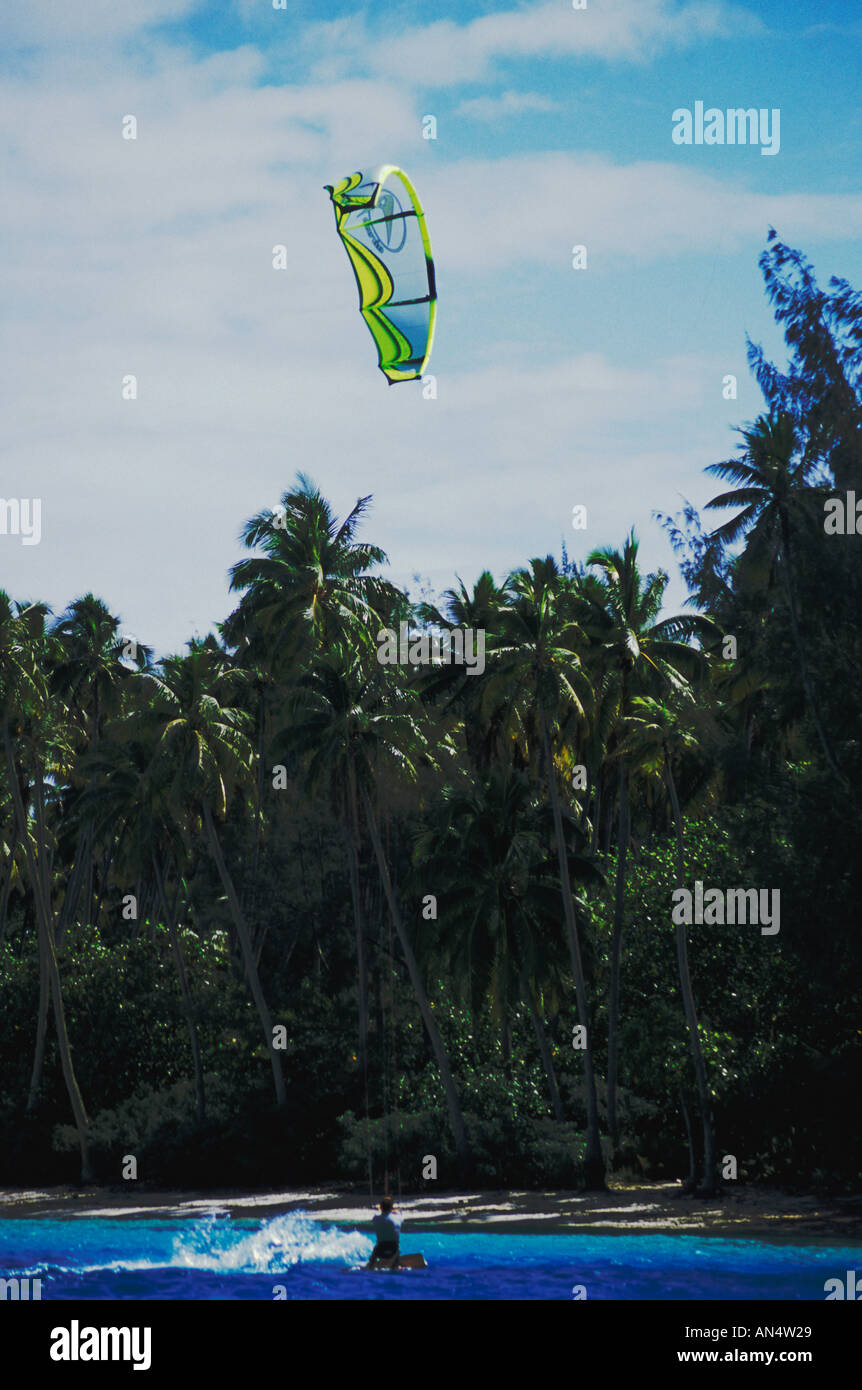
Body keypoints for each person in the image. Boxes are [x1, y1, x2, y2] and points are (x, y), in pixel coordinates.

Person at [368, 1195, 401, 1267]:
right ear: (391, 1208)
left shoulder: (375, 1218)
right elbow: (398, 1213)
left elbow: (377, 1215)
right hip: (393, 1250)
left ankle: (371, 1264)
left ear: (381, 1208)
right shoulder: (398, 1218)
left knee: (376, 1249)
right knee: (397, 1248)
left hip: (380, 1250)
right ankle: (396, 1264)